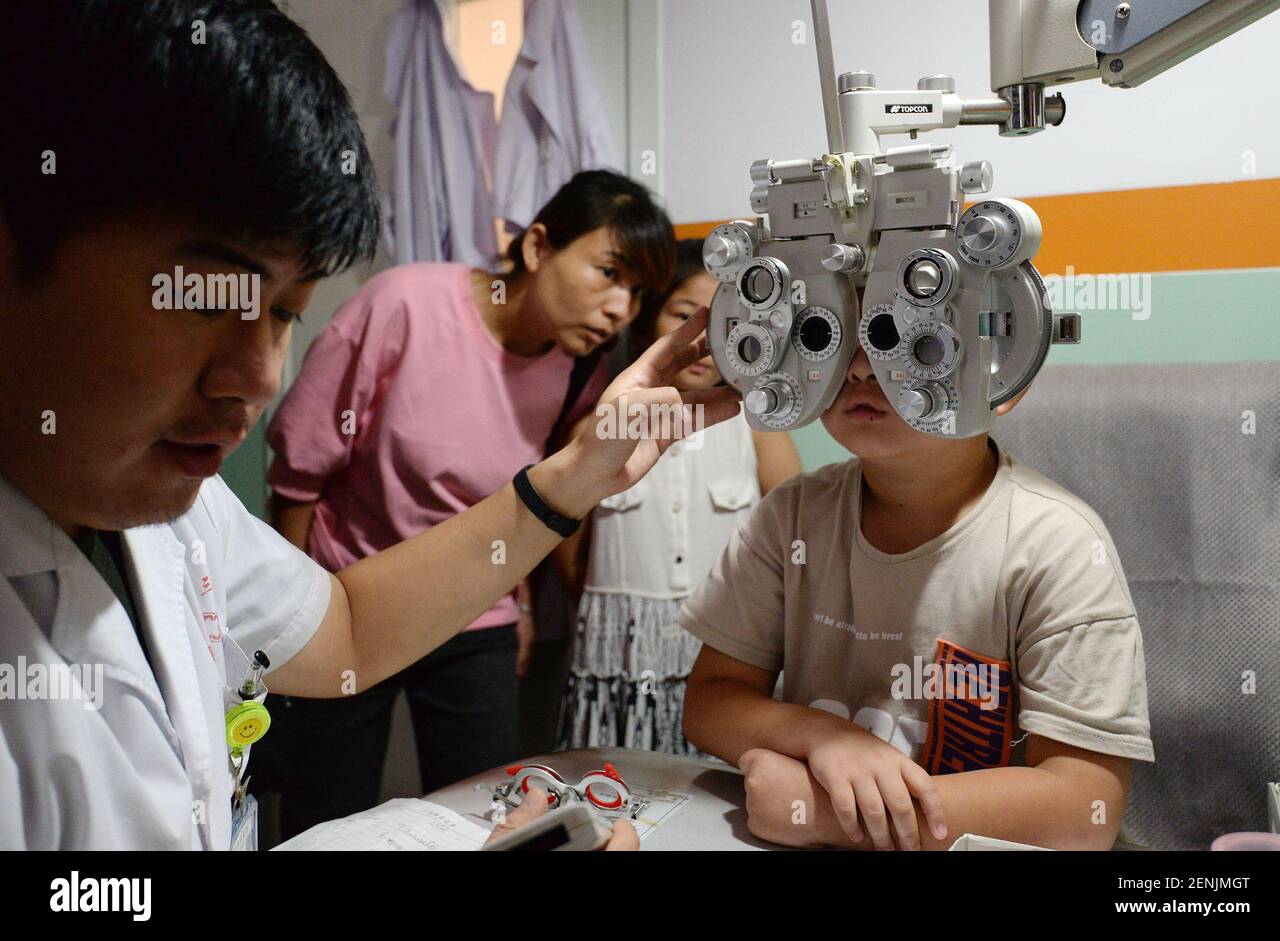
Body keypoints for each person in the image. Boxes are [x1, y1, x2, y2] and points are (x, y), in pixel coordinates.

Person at [0, 0, 735, 851]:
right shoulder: (409, 304)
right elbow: (305, 476)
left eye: (284, 315)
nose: (259, 378)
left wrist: (580, 472)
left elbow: (347, 622)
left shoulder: (177, 522)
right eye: (207, 293)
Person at [258, 170, 674, 838]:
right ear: (538, 247)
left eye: (637, 291)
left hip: (477, 612)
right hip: (350, 595)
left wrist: (527, 603)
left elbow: (537, 497)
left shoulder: (579, 372)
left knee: (490, 808)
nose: (621, 308)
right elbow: (300, 471)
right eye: (608, 273)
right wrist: (287, 617)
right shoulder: (404, 305)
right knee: (327, 803)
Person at [679, 345, 1154, 850]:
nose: (860, 367)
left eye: (913, 341)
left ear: (1004, 379)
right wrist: (818, 735)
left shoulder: (1059, 543)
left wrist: (828, 816)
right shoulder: (791, 517)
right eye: (836, 339)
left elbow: (1084, 809)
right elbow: (712, 699)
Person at [553, 240, 801, 755]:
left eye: (727, 325)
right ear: (651, 318)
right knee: (615, 782)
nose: (705, 340)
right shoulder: (598, 426)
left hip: (723, 647)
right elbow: (566, 542)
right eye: (684, 315)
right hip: (619, 649)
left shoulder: (758, 427)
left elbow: (795, 535)